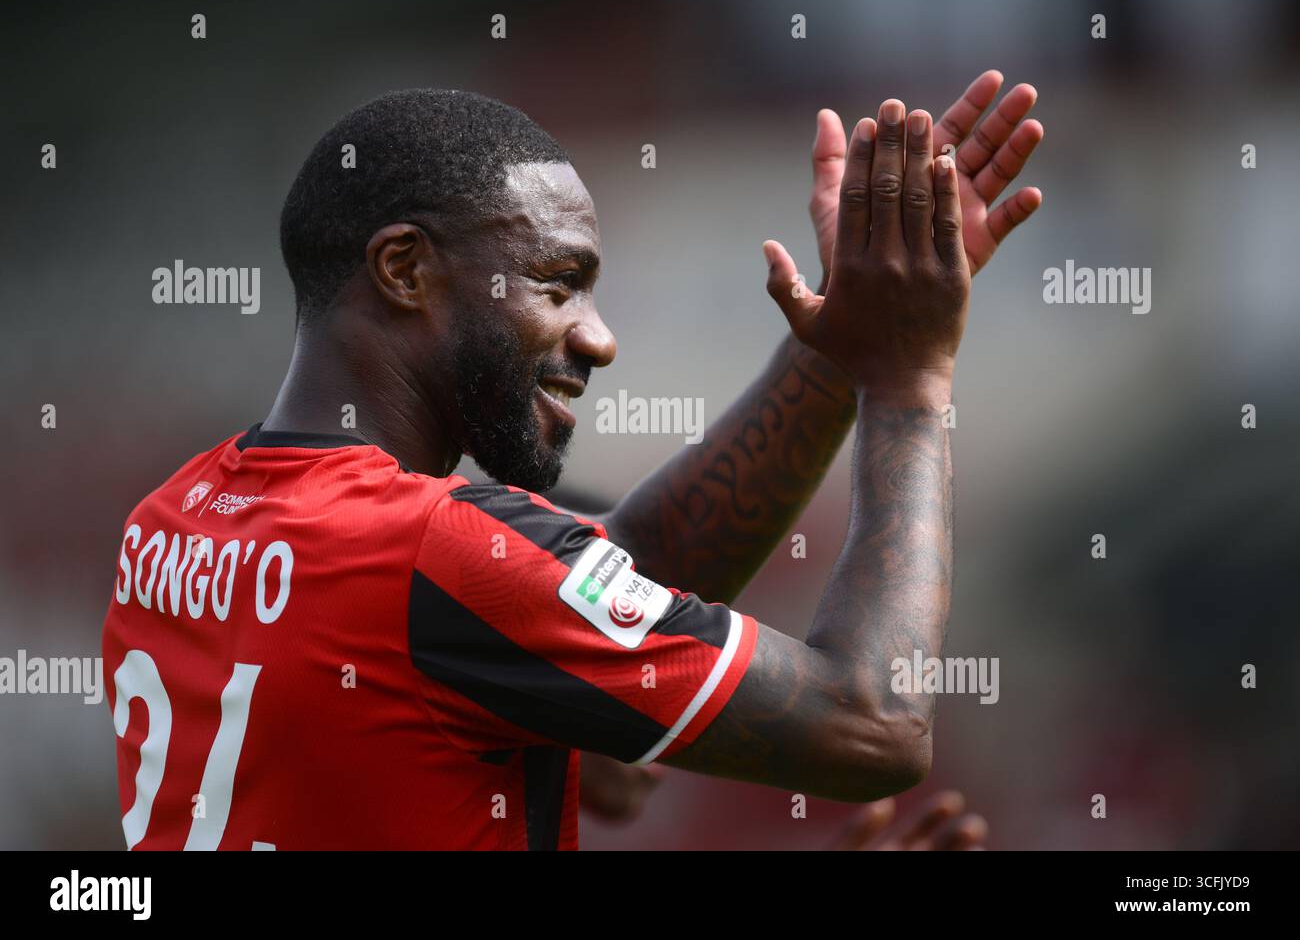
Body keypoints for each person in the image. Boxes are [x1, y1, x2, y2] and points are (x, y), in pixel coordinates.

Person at [102, 75, 1041, 849]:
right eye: (559, 285)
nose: (598, 338)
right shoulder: (438, 552)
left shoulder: (171, 520)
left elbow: (615, 568)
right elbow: (873, 720)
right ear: (404, 269)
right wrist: (910, 378)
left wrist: (846, 338)